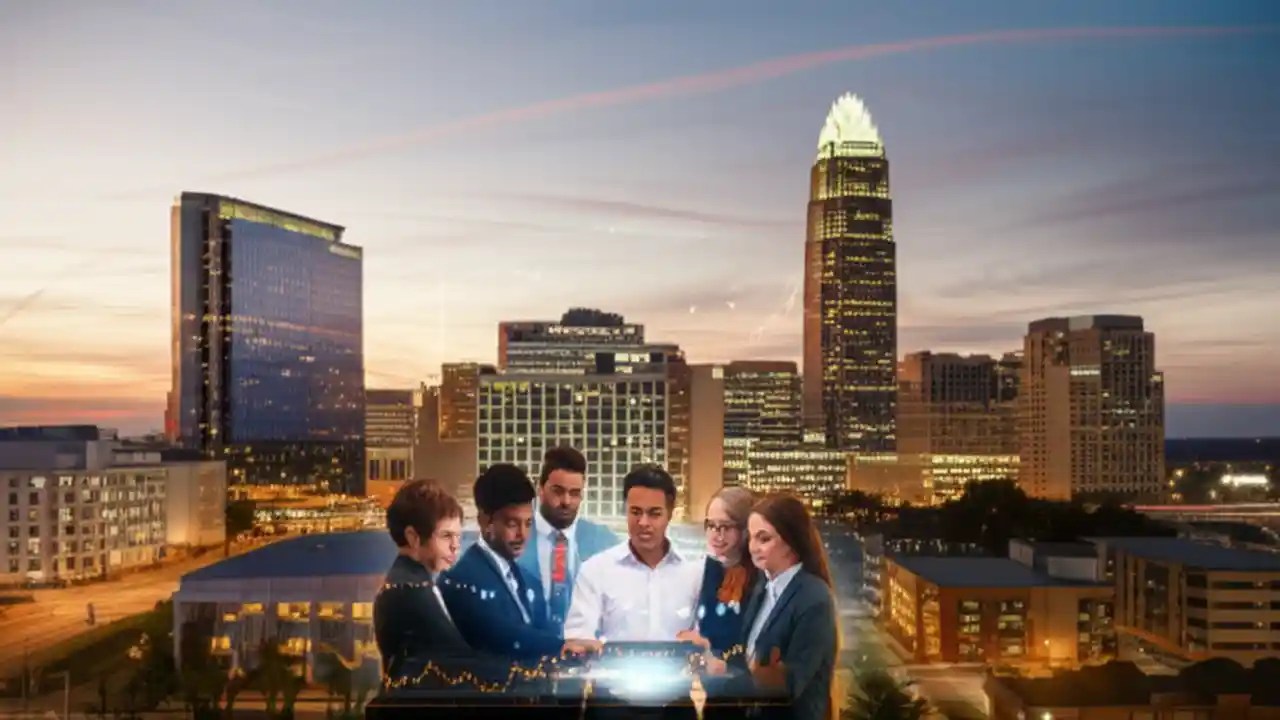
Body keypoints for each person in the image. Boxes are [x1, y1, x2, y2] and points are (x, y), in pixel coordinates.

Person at [562, 464, 702, 648]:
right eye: (635, 512)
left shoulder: (693, 574)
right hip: (611, 673)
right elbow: (577, 637)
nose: (643, 522)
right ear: (625, 510)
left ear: (670, 514)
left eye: (654, 514)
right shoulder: (596, 571)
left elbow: (706, 640)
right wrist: (586, 647)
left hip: (680, 674)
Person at [439, 464, 563, 661]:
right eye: (512, 524)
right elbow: (501, 636)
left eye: (528, 523)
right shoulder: (460, 581)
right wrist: (565, 646)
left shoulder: (531, 581)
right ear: (484, 521)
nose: (522, 535)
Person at [738, 494, 838, 720]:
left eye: (764, 539)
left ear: (791, 541)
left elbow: (791, 684)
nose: (754, 547)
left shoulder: (814, 599)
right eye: (751, 538)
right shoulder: (762, 587)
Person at [373, 480, 471, 679]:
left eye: (458, 537)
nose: (455, 547)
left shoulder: (405, 582)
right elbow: (462, 658)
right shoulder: (410, 591)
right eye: (446, 536)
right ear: (413, 537)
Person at [516, 446, 620, 628]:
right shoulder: (512, 537)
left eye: (574, 493)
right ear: (540, 489)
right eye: (558, 491)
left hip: (589, 652)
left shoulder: (605, 542)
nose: (566, 501)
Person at [677, 486, 759, 664]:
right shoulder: (699, 572)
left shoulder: (762, 578)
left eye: (725, 527)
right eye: (711, 526)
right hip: (709, 682)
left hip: (749, 683)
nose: (716, 535)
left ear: (746, 530)